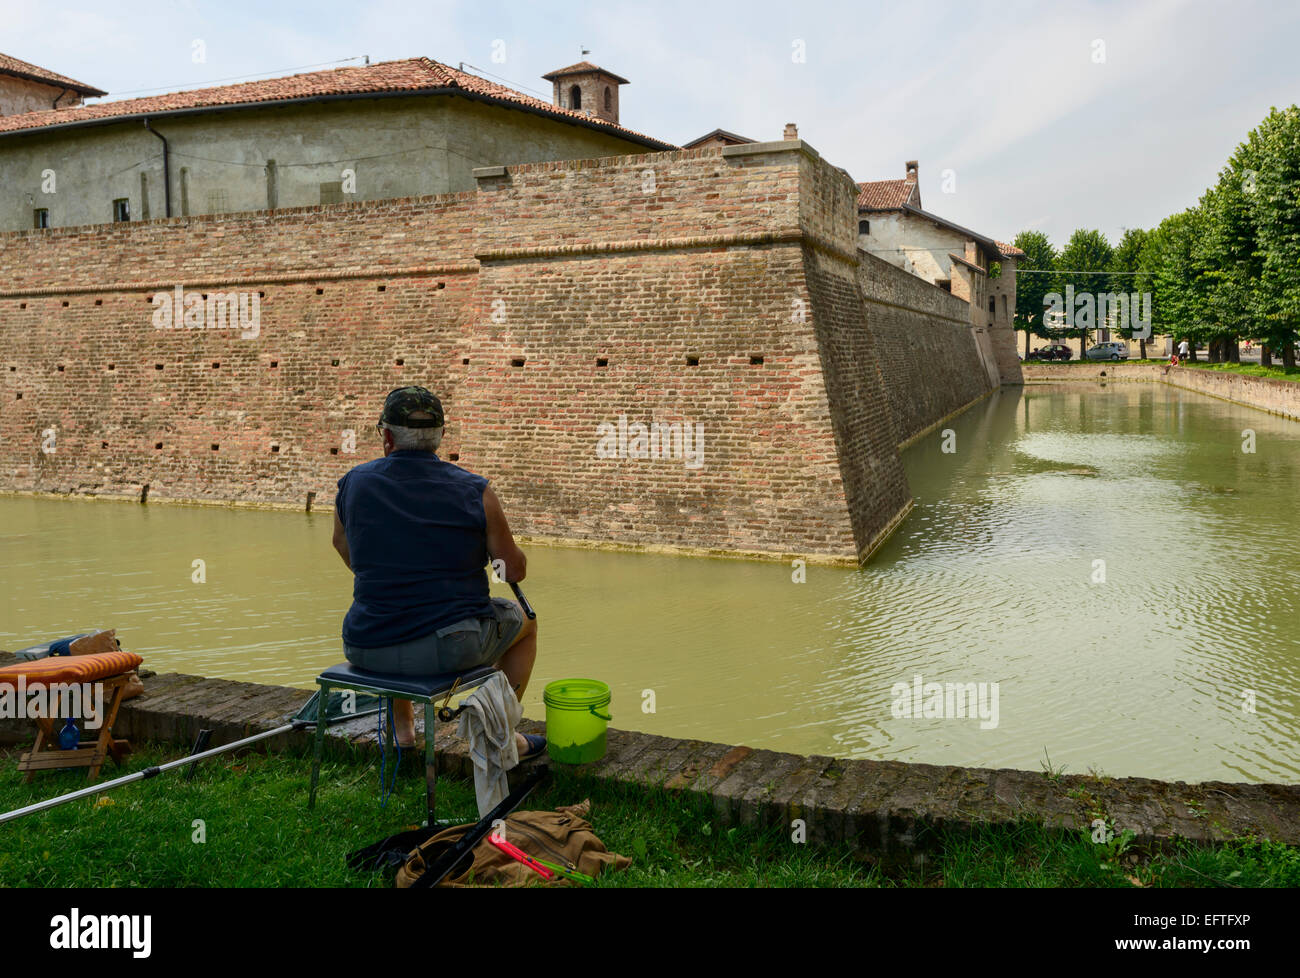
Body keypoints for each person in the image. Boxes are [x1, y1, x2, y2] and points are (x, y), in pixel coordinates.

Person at [331, 386, 543, 757]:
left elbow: (342, 545)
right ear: (441, 436)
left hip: (366, 644)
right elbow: (512, 570)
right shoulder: (475, 490)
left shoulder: (353, 484)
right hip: (448, 649)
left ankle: (403, 732)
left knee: (394, 610)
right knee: (525, 623)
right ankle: (500, 736)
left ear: (387, 435)